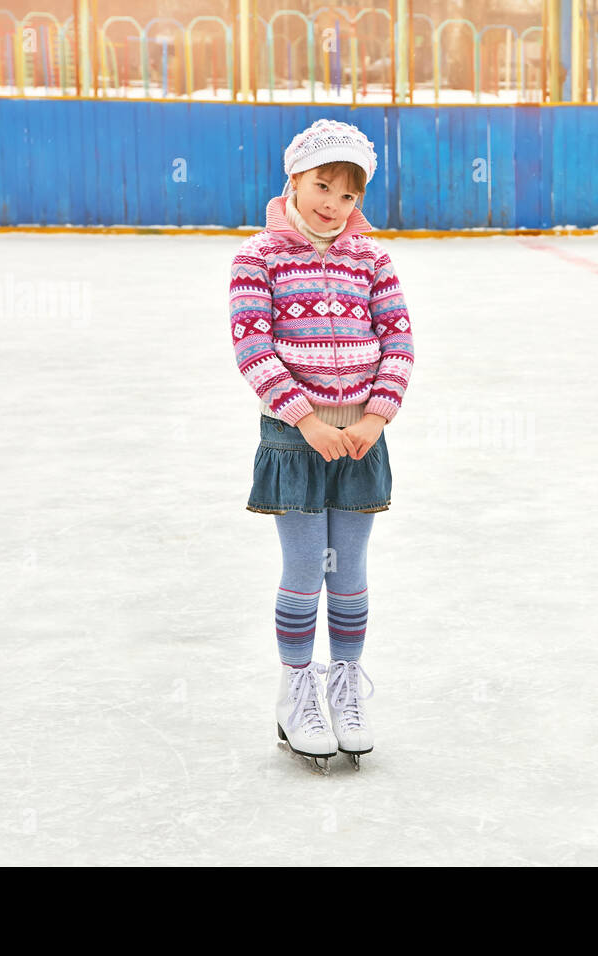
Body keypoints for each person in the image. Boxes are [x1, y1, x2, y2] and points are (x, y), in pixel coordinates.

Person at [228, 119, 415, 772]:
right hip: (294, 438)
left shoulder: (373, 259)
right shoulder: (259, 255)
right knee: (307, 570)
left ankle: (346, 685)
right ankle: (296, 688)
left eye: (347, 194)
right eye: (322, 185)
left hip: (361, 439)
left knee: (350, 573)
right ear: (295, 179)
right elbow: (252, 346)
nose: (333, 203)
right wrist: (307, 420)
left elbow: (397, 340)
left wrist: (375, 418)